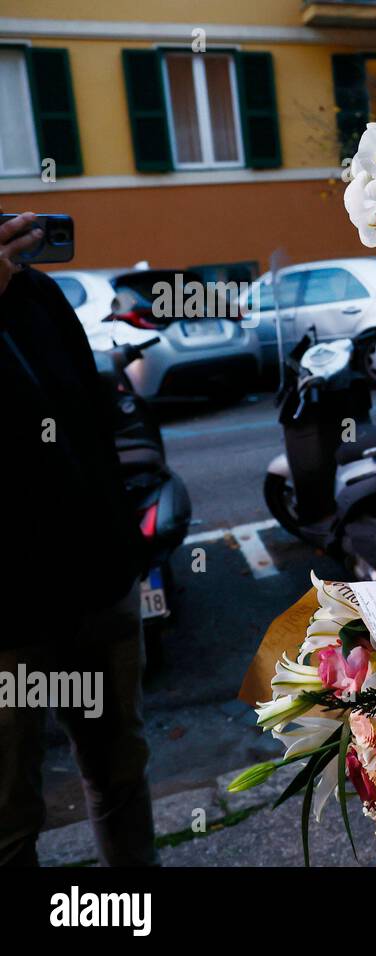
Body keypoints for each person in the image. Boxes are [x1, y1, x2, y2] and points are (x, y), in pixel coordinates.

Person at [0, 208, 159, 866]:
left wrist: (124, 552)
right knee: (9, 817)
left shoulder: (38, 294)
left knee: (119, 776)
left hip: (98, 589)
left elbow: (90, 421)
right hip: (7, 622)